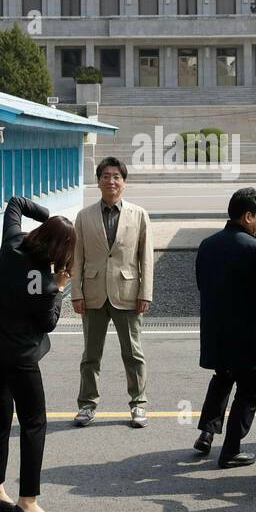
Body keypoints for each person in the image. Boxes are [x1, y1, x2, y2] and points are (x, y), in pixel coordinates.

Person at [0, 196, 72, 512]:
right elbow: (48, 323)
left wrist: (50, 216)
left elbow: (15, 203)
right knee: (33, 423)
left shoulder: (12, 241)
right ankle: (28, 501)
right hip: (18, 356)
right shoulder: (42, 279)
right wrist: (59, 286)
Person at [193, 187, 256, 467]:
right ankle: (231, 450)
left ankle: (206, 434)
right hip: (247, 333)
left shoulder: (207, 244)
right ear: (248, 216)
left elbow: (201, 284)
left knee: (222, 378)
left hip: (215, 329)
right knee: (248, 389)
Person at [71, 156, 154, 429]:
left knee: (133, 353)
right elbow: (78, 258)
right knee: (90, 355)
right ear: (98, 181)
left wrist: (146, 293)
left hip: (127, 293)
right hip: (93, 293)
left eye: (116, 176)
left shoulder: (139, 214)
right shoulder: (84, 217)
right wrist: (76, 293)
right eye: (106, 176)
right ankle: (86, 404)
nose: (111, 181)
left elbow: (145, 258)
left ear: (124, 182)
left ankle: (139, 404)